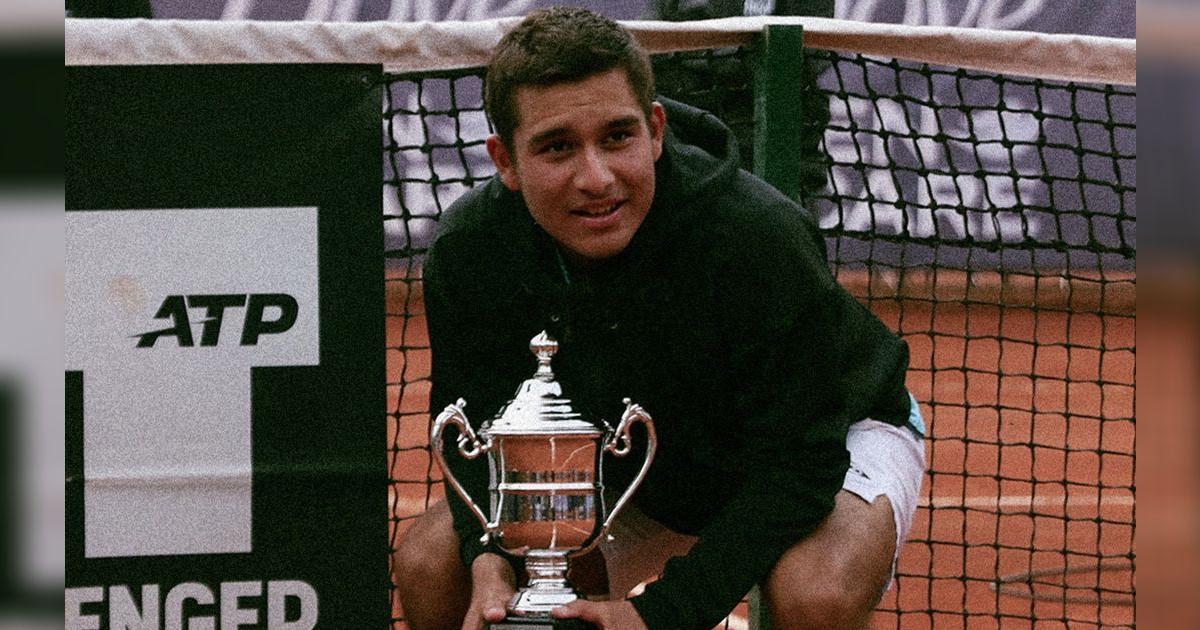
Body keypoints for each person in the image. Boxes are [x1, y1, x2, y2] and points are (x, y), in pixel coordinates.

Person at [393, 7, 926, 630]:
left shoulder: (755, 235)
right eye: (557, 147)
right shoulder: (470, 250)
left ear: (654, 130)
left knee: (816, 594)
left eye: (617, 137)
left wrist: (659, 616)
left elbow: (799, 463)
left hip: (829, 436)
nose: (596, 178)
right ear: (504, 161)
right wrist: (489, 556)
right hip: (632, 456)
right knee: (435, 564)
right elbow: (474, 429)